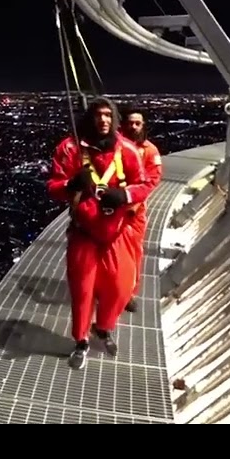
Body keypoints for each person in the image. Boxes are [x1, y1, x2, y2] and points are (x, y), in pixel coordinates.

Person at [47, 97, 157, 370]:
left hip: (115, 231)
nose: (104, 120)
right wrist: (72, 183)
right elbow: (53, 185)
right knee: (82, 291)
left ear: (114, 119)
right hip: (84, 233)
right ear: (91, 118)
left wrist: (124, 195)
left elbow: (144, 184)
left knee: (120, 289)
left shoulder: (128, 150)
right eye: (98, 115)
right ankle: (81, 340)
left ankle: (104, 328)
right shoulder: (71, 148)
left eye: (109, 115)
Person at [118, 105, 163, 313]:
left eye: (137, 123)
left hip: (134, 210)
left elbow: (152, 180)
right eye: (130, 123)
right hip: (113, 205)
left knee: (134, 252)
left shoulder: (149, 151)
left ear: (143, 126)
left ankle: (129, 293)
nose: (133, 127)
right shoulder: (114, 146)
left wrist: (135, 203)